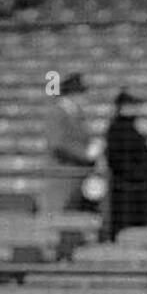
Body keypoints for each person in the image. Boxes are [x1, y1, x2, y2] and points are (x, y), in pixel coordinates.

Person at [104, 90, 147, 241]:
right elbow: (119, 161)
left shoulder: (129, 128)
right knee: (130, 232)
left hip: (137, 190)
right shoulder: (119, 130)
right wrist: (141, 175)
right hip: (129, 191)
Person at [44, 72, 98, 217]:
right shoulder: (58, 113)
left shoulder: (76, 114)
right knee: (61, 218)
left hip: (77, 175)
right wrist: (85, 153)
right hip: (64, 175)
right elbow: (57, 144)